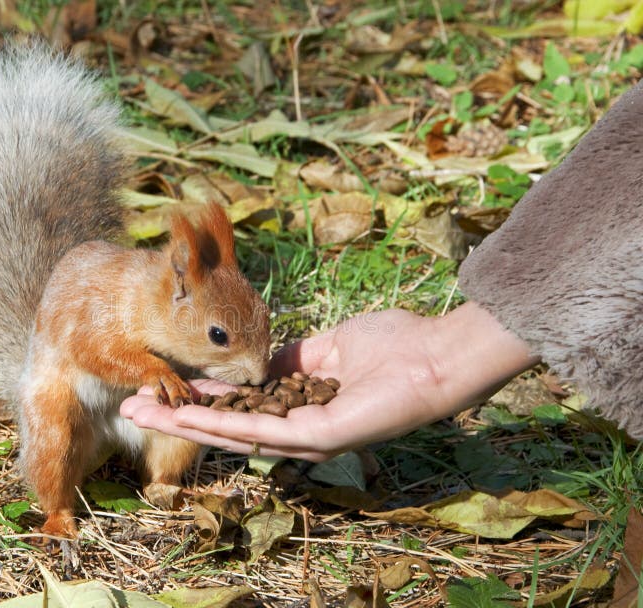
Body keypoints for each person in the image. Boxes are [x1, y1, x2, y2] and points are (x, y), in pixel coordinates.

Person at [121, 78, 643, 461]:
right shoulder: (134, 305)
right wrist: (443, 355)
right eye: (220, 337)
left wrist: (444, 362)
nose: (260, 377)